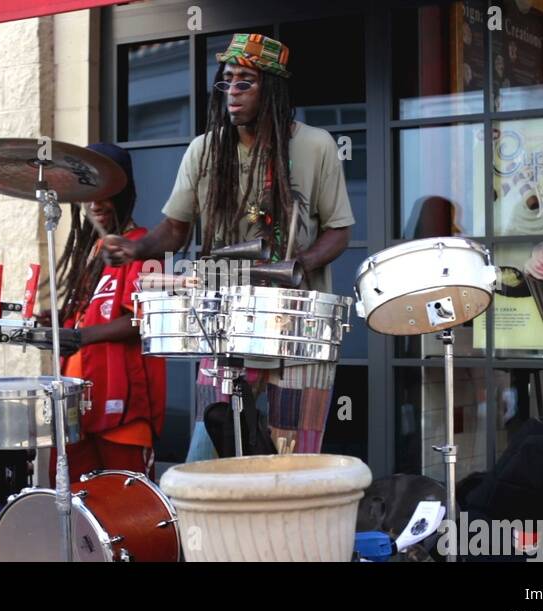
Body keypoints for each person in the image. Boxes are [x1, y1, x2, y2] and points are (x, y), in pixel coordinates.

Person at [102, 34, 354, 459]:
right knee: (210, 452)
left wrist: (299, 263)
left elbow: (339, 230)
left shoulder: (315, 145)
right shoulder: (204, 150)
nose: (232, 94)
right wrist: (136, 248)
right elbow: (175, 230)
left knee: (292, 458)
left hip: (299, 324)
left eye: (245, 83)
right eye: (227, 82)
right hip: (225, 320)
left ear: (271, 89)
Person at [37, 143, 165, 482]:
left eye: (105, 193)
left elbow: (144, 320)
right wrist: (58, 320)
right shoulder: (89, 252)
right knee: (72, 505)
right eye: (88, 193)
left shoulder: (145, 246)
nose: (96, 203)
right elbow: (90, 314)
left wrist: (80, 337)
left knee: (127, 509)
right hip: (77, 403)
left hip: (122, 406)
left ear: (124, 193)